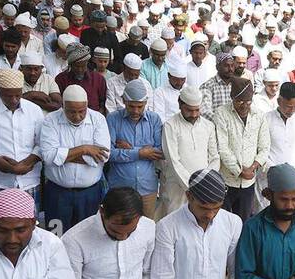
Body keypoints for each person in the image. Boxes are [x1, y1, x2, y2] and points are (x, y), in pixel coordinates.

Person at [40, 84, 111, 232]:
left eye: (82, 111)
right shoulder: (50, 120)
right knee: (56, 236)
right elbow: (48, 156)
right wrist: (85, 149)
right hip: (57, 194)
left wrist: (62, 156)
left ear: (87, 106)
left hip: (89, 194)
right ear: (63, 106)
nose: (77, 116)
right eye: (72, 112)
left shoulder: (98, 119)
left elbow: (102, 156)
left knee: (88, 237)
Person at [0, 68, 45, 209]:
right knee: (1, 226)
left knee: (30, 224)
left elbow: (42, 142)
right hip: (0, 181)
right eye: (8, 96)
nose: (13, 100)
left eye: (18, 95)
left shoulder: (34, 110)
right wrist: (6, 166)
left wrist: (26, 163)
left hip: (29, 179)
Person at [104, 78, 164, 220]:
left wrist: (130, 150)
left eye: (140, 107)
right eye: (131, 106)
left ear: (145, 103)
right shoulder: (113, 119)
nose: (136, 111)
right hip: (120, 187)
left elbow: (160, 151)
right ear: (124, 101)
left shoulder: (154, 119)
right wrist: (141, 152)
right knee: (121, 226)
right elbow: (108, 154)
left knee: (147, 228)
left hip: (147, 187)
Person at [212, 75, 270, 219]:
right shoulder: (221, 113)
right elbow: (222, 148)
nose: (244, 106)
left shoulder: (259, 115)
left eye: (248, 102)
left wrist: (253, 167)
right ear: (232, 98)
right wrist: (239, 171)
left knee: (243, 220)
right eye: (239, 102)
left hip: (249, 181)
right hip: (227, 180)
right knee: (222, 220)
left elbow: (264, 146)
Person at [158, 85, 218, 219]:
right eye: (189, 110)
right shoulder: (170, 125)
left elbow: (214, 158)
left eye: (197, 110)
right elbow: (173, 161)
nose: (194, 114)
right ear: (180, 104)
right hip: (177, 188)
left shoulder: (208, 126)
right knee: (174, 223)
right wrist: (192, 187)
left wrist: (206, 183)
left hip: (204, 189)